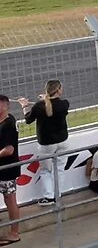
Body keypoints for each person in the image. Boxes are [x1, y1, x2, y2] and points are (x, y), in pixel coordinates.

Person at [18, 79, 69, 207]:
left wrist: (24, 106)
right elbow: (50, 106)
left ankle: (49, 196)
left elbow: (28, 119)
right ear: (58, 90)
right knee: (59, 168)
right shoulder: (64, 104)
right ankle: (58, 194)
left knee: (46, 170)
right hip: (62, 140)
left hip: (46, 144)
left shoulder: (39, 106)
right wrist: (44, 100)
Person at [0, 95, 21, 246]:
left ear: (5, 106)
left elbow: (9, 150)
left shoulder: (7, 125)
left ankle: (14, 233)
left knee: (10, 199)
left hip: (7, 169)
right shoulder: (6, 121)